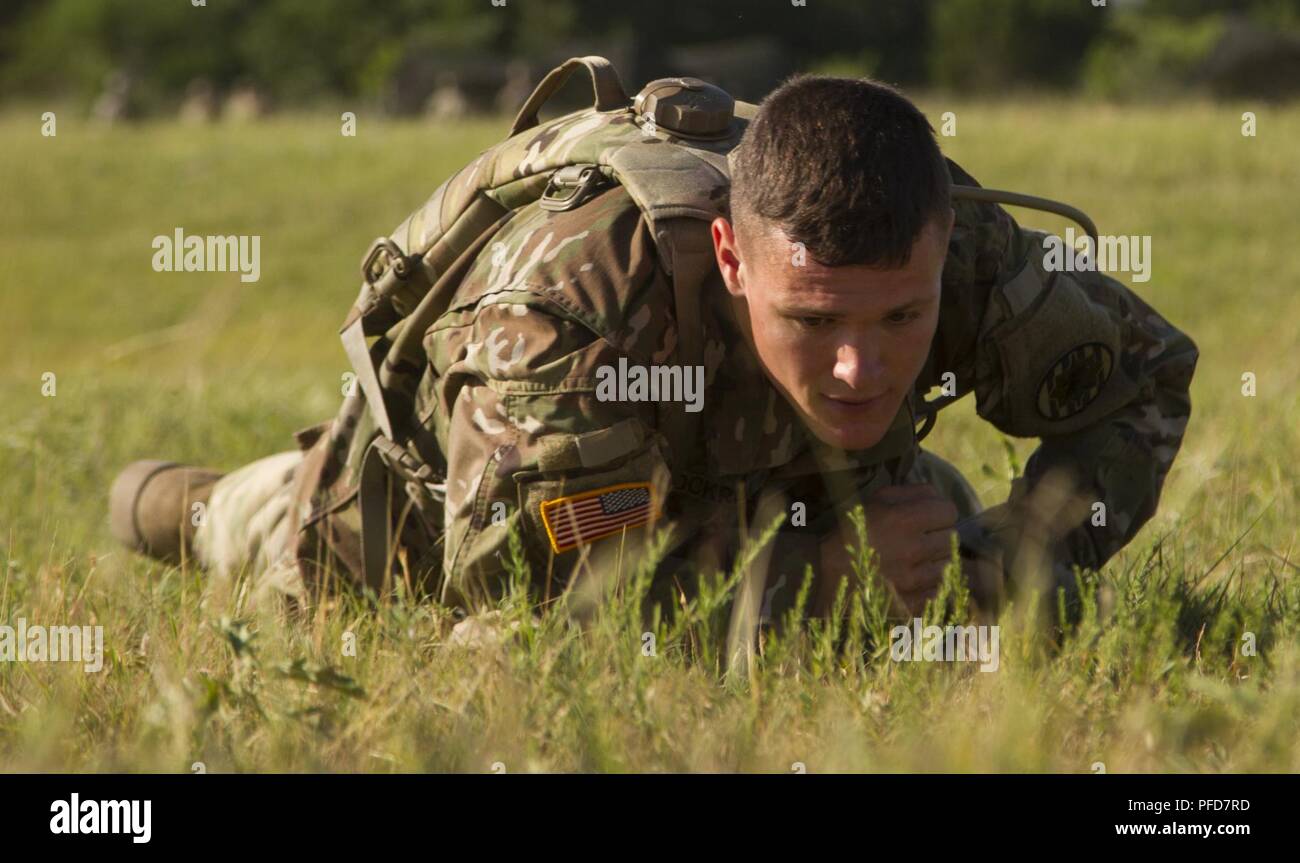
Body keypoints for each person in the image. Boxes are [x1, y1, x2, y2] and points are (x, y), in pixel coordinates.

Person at [109, 68, 1198, 643]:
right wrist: (810, 581)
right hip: (430, 518)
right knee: (285, 542)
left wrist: (1020, 557)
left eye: (897, 321)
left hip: (749, 470)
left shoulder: (955, 247)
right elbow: (524, 610)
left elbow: (1141, 378)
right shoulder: (565, 316)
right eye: (813, 322)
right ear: (729, 254)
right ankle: (196, 505)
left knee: (940, 512)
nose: (861, 368)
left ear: (942, 251)